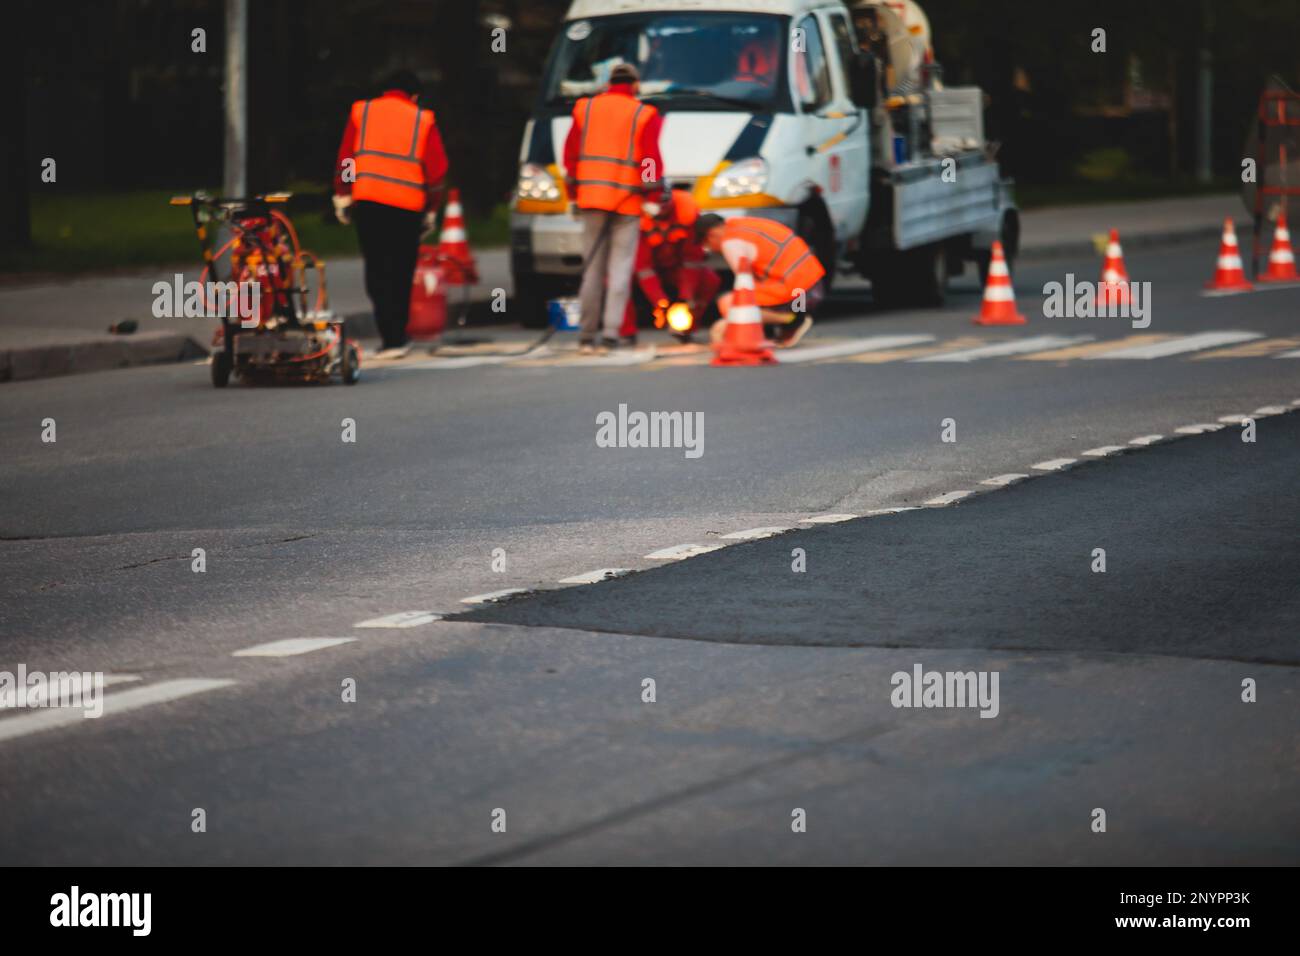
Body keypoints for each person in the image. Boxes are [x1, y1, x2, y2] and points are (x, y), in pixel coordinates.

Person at [333, 69, 448, 359]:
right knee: (399, 272)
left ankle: (389, 336)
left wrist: (343, 194)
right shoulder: (422, 119)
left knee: (376, 270)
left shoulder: (362, 112)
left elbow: (347, 159)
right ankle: (397, 336)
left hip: (369, 203)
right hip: (407, 208)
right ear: (414, 95)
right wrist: (432, 209)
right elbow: (436, 172)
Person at [563, 63, 664, 354]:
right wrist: (651, 195)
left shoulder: (585, 109)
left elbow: (571, 155)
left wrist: (573, 194)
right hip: (627, 201)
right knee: (619, 270)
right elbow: (650, 160)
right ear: (635, 85)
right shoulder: (643, 113)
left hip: (591, 199)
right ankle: (610, 335)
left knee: (592, 271)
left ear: (609, 83)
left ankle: (585, 336)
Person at [696, 213, 826, 347]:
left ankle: (791, 320)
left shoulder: (730, 242)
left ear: (712, 234)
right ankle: (780, 326)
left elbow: (745, 285)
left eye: (706, 245)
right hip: (811, 285)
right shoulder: (742, 225)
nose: (710, 249)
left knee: (728, 302)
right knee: (758, 289)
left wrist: (727, 324)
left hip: (796, 290)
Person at [621, 187, 719, 343]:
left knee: (709, 279)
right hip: (646, 270)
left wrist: (685, 298)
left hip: (675, 268)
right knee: (617, 281)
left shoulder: (687, 214)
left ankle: (685, 328)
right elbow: (643, 267)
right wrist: (660, 301)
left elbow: (692, 260)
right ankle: (627, 333)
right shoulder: (638, 219)